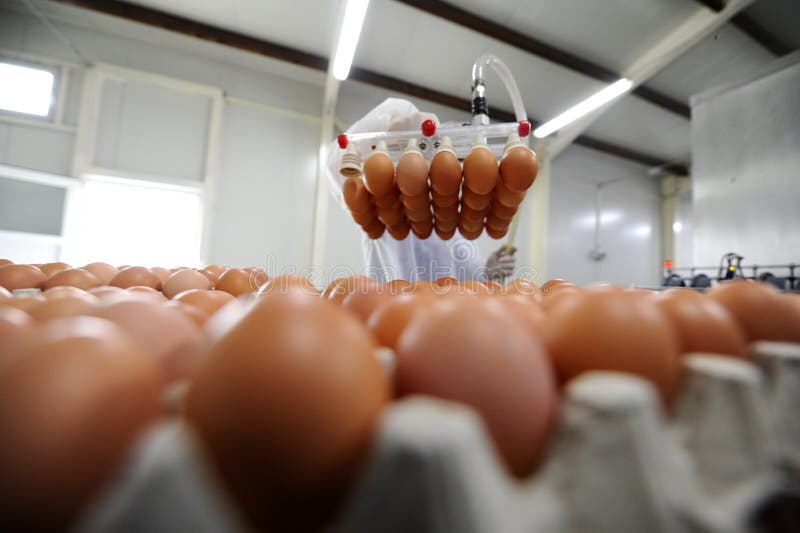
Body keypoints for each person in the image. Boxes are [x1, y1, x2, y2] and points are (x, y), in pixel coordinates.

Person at [325, 98, 516, 283]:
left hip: (444, 304)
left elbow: (466, 272)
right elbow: (336, 165)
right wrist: (389, 128)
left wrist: (487, 271)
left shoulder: (447, 206)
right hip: (388, 302)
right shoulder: (379, 199)